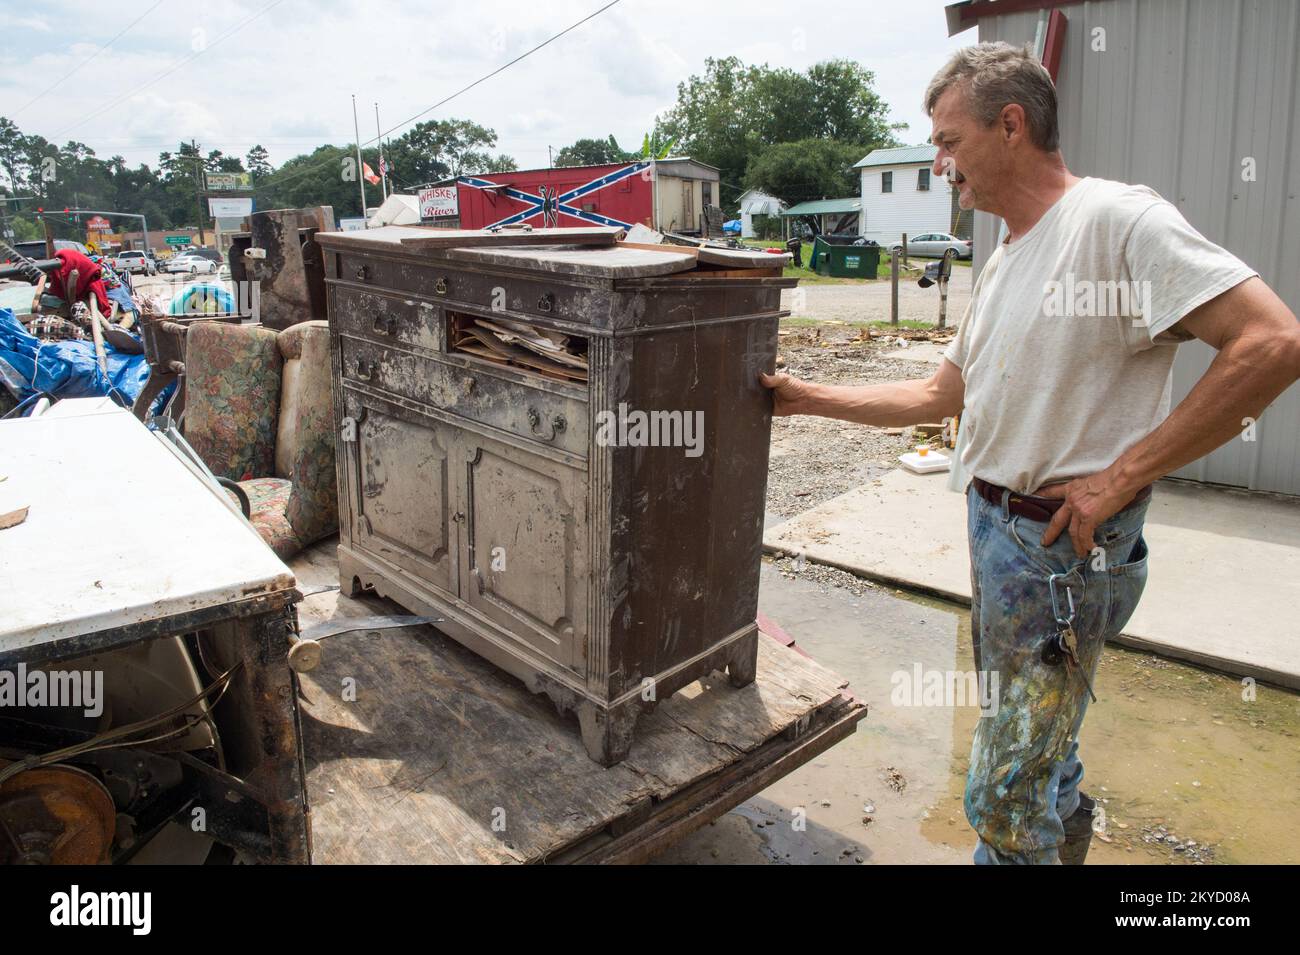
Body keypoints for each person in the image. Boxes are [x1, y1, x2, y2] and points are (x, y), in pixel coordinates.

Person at [760, 41, 1300, 864]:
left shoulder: (1117, 220)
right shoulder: (1009, 253)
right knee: (1047, 749)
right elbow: (941, 398)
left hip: (1062, 548)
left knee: (1004, 797)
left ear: (1010, 125)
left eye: (948, 141)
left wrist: (1118, 478)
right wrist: (806, 398)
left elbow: (1271, 342)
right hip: (1000, 534)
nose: (940, 165)